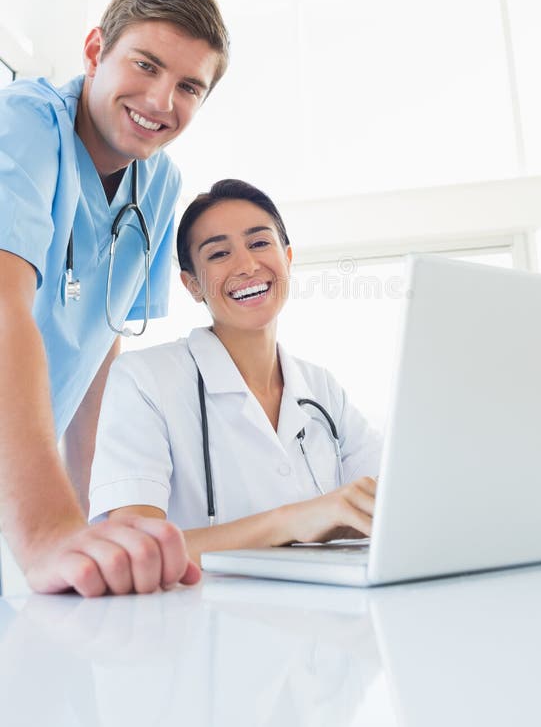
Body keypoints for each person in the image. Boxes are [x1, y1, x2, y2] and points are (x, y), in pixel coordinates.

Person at [0, 0, 229, 596]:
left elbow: (99, 353)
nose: (160, 100)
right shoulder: (22, 124)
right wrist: (49, 531)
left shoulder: (158, 184)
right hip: (24, 501)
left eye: (189, 87)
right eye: (146, 65)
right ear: (95, 51)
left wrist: (97, 525)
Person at [89, 180, 382, 561]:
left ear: (288, 258)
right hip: (200, 601)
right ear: (193, 285)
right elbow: (135, 547)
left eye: (259, 243)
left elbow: (393, 500)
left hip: (326, 598)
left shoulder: (321, 388)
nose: (246, 266)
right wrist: (292, 522)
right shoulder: (144, 378)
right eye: (219, 253)